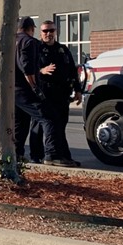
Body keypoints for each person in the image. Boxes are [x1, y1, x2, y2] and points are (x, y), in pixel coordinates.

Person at [31, 20, 81, 167]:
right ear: (40, 33)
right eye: (45, 31)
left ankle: (63, 156)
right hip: (43, 94)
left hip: (62, 95)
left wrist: (78, 90)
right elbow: (28, 70)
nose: (48, 34)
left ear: (56, 31)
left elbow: (73, 71)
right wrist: (41, 71)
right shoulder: (36, 49)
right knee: (40, 126)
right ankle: (37, 156)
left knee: (60, 125)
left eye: (51, 31)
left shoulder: (63, 50)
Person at [14, 16, 55, 163]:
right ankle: (50, 155)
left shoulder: (12, 40)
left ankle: (16, 154)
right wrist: (34, 87)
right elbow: (27, 67)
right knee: (47, 117)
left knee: (21, 123)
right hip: (25, 90)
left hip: (14, 90)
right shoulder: (29, 41)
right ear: (31, 28)